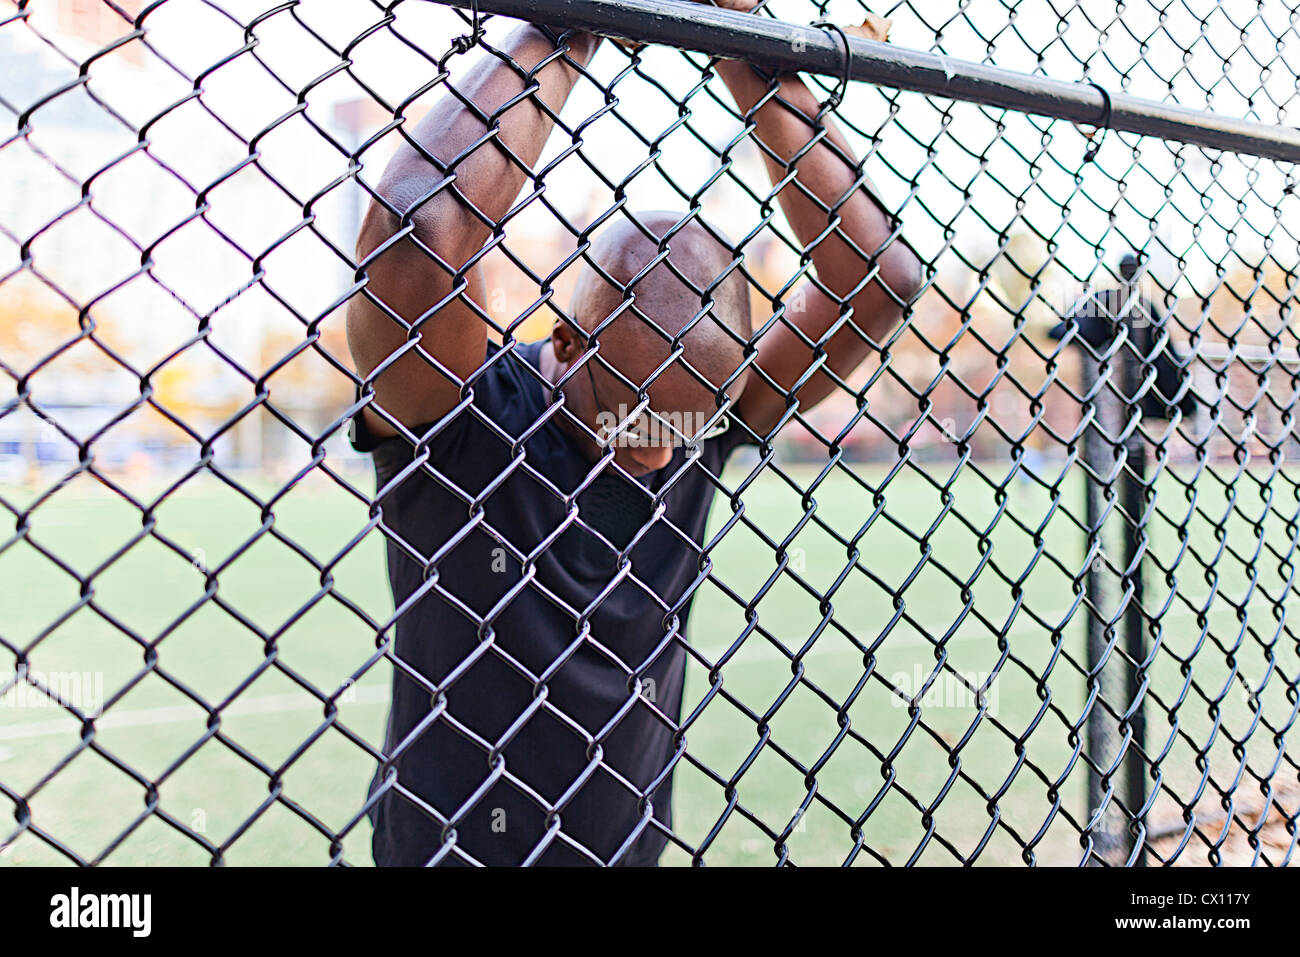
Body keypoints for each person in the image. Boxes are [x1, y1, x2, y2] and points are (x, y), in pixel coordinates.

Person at [344, 8, 924, 865]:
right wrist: (573, 23)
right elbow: (417, 235)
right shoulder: (465, 418)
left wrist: (741, 40)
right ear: (569, 341)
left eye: (689, 424)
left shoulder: (702, 419)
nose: (660, 451)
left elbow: (882, 280)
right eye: (635, 418)